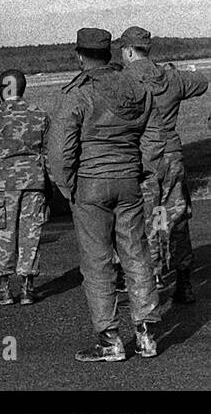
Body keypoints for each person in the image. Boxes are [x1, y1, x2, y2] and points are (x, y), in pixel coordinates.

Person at [49, 28, 164, 362]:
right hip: (129, 181)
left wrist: (68, 185)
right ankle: (146, 335)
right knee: (137, 254)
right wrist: (139, 169)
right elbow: (154, 136)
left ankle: (110, 341)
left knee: (97, 263)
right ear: (111, 52)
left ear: (80, 55)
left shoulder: (79, 93)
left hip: (91, 184)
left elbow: (59, 151)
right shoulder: (134, 86)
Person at [117, 25, 205, 303]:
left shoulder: (122, 80)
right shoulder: (170, 77)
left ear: (129, 50)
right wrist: (182, 73)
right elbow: (201, 83)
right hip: (172, 155)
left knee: (146, 218)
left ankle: (151, 277)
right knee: (175, 216)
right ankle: (183, 281)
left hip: (143, 156)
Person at [0, 69, 51, 306]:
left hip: (3, 184)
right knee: (31, 233)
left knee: (2, 233)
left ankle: (3, 289)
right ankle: (28, 287)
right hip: (34, 182)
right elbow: (49, 154)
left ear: (3, 89)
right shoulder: (39, 114)